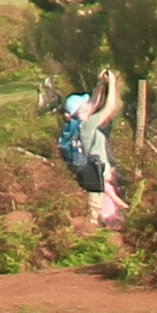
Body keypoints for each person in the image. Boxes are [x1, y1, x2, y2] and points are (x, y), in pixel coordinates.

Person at [52, 79, 125, 239]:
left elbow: (93, 102)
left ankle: (100, 240)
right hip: (100, 175)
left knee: (106, 208)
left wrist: (100, 84)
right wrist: (112, 83)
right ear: (80, 109)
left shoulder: (74, 126)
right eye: (86, 104)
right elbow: (109, 107)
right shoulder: (88, 125)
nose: (91, 105)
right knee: (105, 212)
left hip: (93, 173)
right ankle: (100, 241)